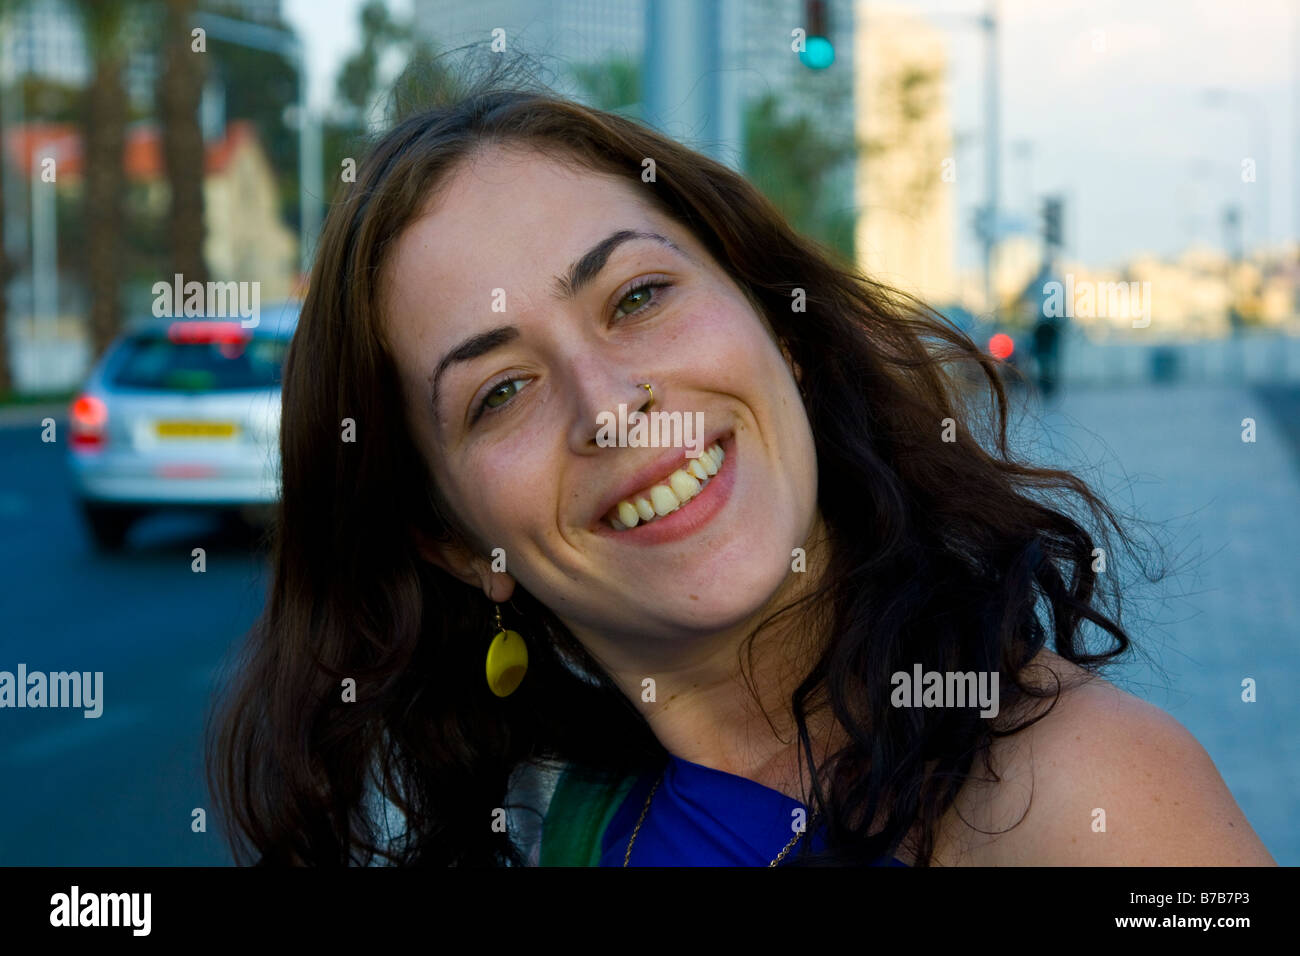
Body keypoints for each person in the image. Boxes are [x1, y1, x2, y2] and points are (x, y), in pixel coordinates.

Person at [209, 63, 1275, 867]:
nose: (611, 404)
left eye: (636, 296)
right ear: (456, 541)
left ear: (786, 334)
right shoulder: (549, 827)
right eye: (500, 392)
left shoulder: (1092, 801)